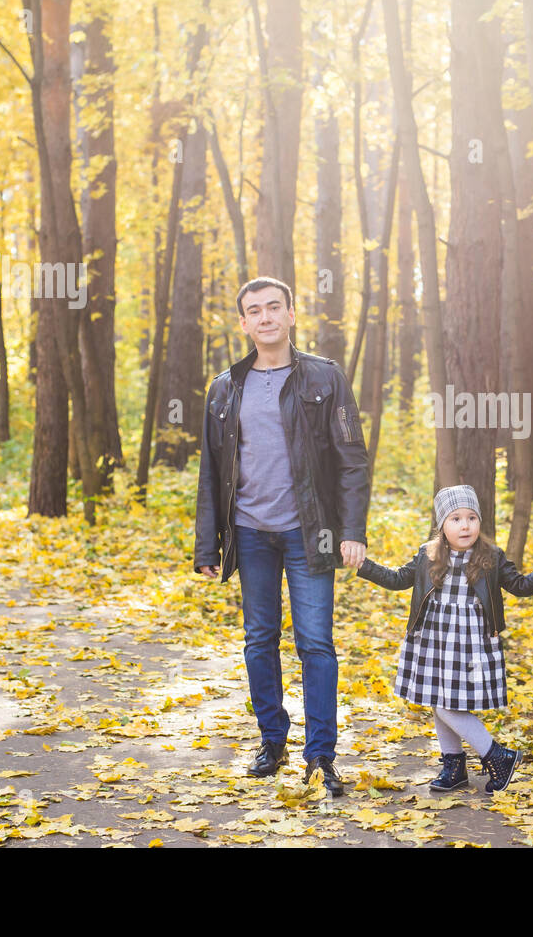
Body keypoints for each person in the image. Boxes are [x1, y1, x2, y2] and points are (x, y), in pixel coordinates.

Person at [194, 276, 369, 796]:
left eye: (275, 307)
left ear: (292, 315)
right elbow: (211, 471)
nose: (266, 317)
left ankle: (321, 757)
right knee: (258, 640)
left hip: (309, 533)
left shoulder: (325, 377)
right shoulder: (225, 387)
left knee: (316, 643)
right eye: (255, 310)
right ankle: (272, 739)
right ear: (243, 323)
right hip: (249, 533)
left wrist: (352, 531)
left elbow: (351, 460)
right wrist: (209, 544)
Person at [355, 485, 533, 793]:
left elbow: (519, 585)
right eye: (456, 518)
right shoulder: (427, 555)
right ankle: (454, 765)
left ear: (480, 522)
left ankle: (497, 755)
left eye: (472, 518)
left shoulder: (491, 557)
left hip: (470, 643)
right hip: (433, 640)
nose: (465, 525)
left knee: (449, 705)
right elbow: (397, 579)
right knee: (438, 702)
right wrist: (363, 565)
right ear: (441, 525)